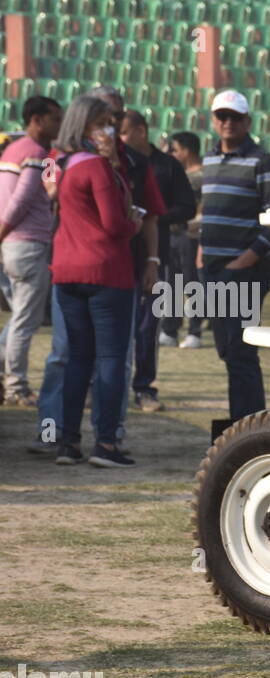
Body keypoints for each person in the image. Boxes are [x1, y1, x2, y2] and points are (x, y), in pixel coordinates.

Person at [48, 95, 142, 467]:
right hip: (105, 271)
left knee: (77, 360)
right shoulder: (98, 168)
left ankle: (67, 442)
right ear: (86, 124)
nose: (111, 128)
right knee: (110, 359)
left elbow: (48, 191)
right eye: (103, 121)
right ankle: (106, 444)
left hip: (67, 270)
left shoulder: (60, 161)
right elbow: (115, 225)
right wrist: (133, 222)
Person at [198, 89, 270, 423]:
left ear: (247, 121)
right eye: (222, 116)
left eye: (235, 117)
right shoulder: (208, 160)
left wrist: (245, 261)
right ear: (213, 120)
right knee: (227, 349)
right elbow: (208, 212)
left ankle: (246, 425)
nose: (228, 122)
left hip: (244, 271)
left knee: (239, 352)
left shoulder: (262, 160)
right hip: (214, 267)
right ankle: (244, 424)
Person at [88, 86, 166, 443]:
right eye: (103, 116)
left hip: (124, 270)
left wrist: (151, 259)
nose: (111, 124)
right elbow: (49, 192)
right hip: (75, 271)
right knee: (67, 357)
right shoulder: (66, 157)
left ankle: (110, 434)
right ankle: (60, 434)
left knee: (118, 356)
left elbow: (146, 215)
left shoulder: (137, 163)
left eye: (116, 117)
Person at [120, 109, 194, 412]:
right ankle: (104, 388)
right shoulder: (115, 163)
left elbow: (187, 207)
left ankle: (144, 389)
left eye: (124, 131)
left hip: (155, 257)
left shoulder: (167, 166)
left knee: (148, 328)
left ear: (141, 130)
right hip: (117, 257)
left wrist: (155, 218)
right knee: (114, 326)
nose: (119, 138)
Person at [0, 96, 61, 409]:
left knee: (19, 318)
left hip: (14, 246)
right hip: (27, 243)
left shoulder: (15, 149)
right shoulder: (36, 153)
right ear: (37, 120)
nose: (59, 124)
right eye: (54, 118)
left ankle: (7, 376)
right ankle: (16, 386)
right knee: (25, 320)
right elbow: (21, 200)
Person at [162, 130, 205, 348]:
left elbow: (204, 211)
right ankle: (169, 330)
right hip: (174, 235)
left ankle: (194, 331)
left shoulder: (202, 177)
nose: (172, 153)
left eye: (175, 150)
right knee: (171, 283)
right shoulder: (180, 174)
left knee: (192, 284)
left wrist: (190, 225)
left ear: (187, 151)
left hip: (192, 237)